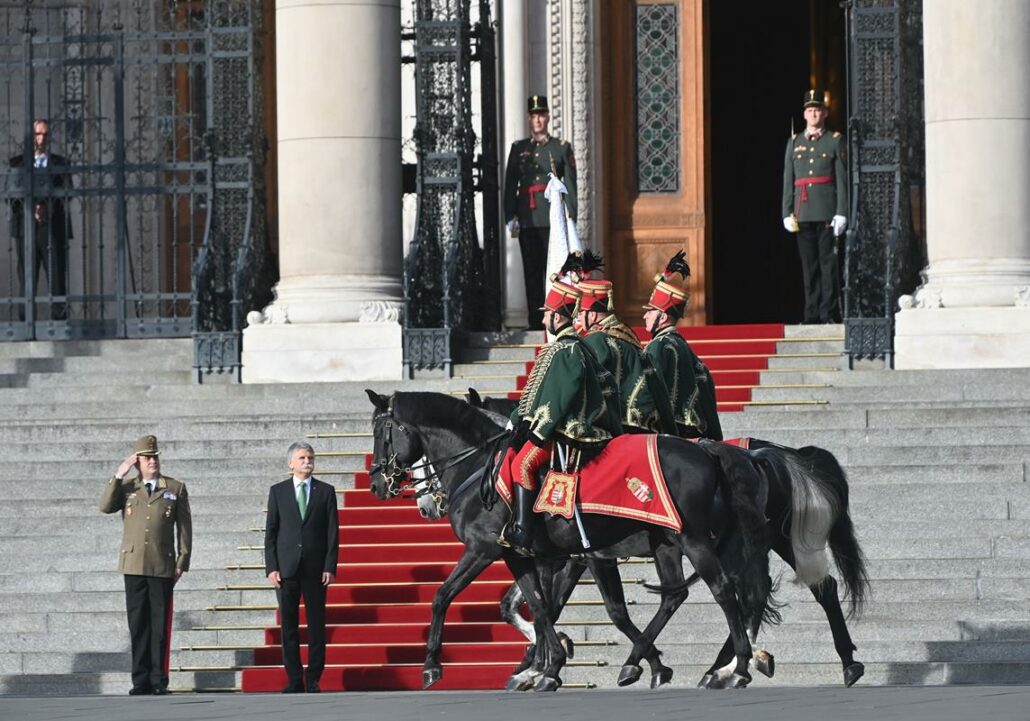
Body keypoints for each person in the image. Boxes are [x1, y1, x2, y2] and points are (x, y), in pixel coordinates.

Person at [498, 275, 617, 556]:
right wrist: (518, 418)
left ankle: (523, 531)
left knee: (522, 465)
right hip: (558, 425)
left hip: (570, 429)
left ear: (558, 316)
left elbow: (557, 399)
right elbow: (539, 393)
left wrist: (536, 431)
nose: (543, 321)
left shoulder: (567, 350)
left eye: (547, 315)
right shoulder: (564, 347)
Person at [99, 435, 192, 696]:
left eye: (155, 456)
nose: (153, 461)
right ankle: (140, 680)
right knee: (138, 624)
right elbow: (105, 506)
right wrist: (119, 474)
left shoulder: (174, 487)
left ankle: (158, 680)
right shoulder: (127, 487)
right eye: (147, 457)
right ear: (137, 461)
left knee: (159, 624)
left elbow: (184, 527)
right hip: (133, 563)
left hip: (162, 564)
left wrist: (183, 560)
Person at [264, 442, 339, 693]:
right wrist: (271, 567)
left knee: (316, 625)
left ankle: (314, 677)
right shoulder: (278, 491)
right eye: (302, 458)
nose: (308, 461)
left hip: (316, 570)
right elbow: (271, 532)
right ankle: (294, 679)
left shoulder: (326, 491)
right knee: (289, 626)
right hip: (286, 570)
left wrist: (330, 566)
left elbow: (332, 533)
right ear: (291, 463)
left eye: (310, 457)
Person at [503, 95, 578, 330]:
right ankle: (536, 322)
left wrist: (571, 216)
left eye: (541, 115)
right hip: (528, 217)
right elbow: (510, 185)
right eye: (534, 116)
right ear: (529, 119)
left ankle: (560, 318)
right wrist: (510, 216)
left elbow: (571, 186)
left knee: (556, 269)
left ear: (547, 117)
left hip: (552, 216)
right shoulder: (519, 149)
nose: (538, 120)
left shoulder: (561, 147)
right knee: (532, 271)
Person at [782, 89, 849, 324]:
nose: (813, 115)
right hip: (803, 212)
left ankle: (828, 313)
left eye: (817, 110)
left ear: (825, 113)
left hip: (826, 212)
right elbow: (788, 179)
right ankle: (811, 314)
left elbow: (841, 179)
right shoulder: (795, 142)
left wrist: (841, 211)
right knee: (809, 267)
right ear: (804, 114)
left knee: (828, 265)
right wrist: (786, 211)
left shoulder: (835, 140)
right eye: (810, 110)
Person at [577, 277, 677, 435]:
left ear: (592, 316)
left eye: (581, 312)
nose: (578, 318)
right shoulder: (627, 335)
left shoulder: (596, 339)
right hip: (647, 422)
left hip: (621, 425)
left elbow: (585, 384)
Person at [641, 253, 723, 441]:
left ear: (662, 317)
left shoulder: (659, 345)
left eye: (650, 312)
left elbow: (649, 390)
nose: (645, 317)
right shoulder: (681, 344)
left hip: (676, 434)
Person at [8, 119, 73, 320]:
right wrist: (31, 205)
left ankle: (59, 321)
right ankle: (25, 322)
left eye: (45, 134)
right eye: (38, 134)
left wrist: (45, 204)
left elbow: (67, 192)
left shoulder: (61, 163)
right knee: (27, 277)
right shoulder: (16, 163)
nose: (41, 138)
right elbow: (10, 195)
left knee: (56, 276)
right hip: (25, 228)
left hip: (51, 227)